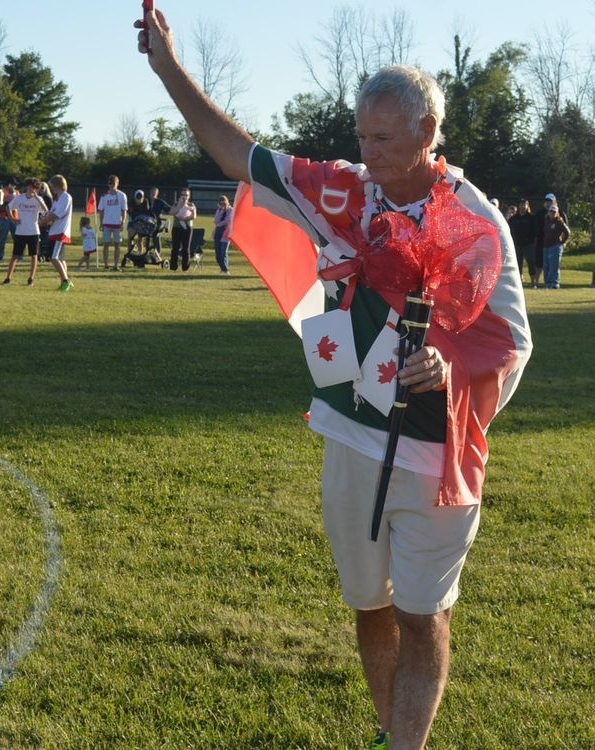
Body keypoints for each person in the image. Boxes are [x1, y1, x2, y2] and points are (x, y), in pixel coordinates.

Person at [137, 9, 531, 750]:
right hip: (349, 437)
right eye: (360, 136)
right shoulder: (347, 191)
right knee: (368, 605)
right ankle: (391, 734)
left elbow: (511, 343)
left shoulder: (474, 219)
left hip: (434, 457)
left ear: (427, 135)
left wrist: (447, 373)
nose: (366, 152)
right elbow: (240, 156)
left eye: (382, 139)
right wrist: (167, 70)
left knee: (423, 614)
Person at [2, 178, 48, 286]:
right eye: (30, 186)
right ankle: (8, 278)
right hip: (20, 231)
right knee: (15, 256)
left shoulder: (39, 199)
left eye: (34, 188)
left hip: (34, 231)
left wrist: (37, 197)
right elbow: (8, 207)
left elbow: (46, 210)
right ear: (27, 187)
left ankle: (31, 278)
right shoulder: (20, 198)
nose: (31, 189)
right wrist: (13, 218)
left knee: (34, 255)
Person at [40, 174, 74, 292]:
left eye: (53, 186)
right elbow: (51, 213)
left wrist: (43, 221)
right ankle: (65, 280)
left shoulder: (65, 197)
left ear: (58, 185)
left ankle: (65, 281)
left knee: (53, 257)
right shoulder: (57, 199)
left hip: (60, 231)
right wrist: (43, 218)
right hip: (55, 231)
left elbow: (56, 214)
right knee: (60, 258)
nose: (52, 189)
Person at [98, 175, 127, 271]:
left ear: (117, 184)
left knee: (117, 245)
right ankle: (106, 265)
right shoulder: (104, 196)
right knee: (106, 244)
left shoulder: (122, 196)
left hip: (117, 224)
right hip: (106, 223)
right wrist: (101, 223)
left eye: (113, 183)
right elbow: (101, 210)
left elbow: (124, 210)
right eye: (109, 183)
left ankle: (115, 265)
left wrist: (122, 222)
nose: (111, 185)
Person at [508, 199, 538, 287]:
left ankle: (533, 282)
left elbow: (536, 232)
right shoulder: (513, 219)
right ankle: (518, 283)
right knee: (517, 264)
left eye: (524, 204)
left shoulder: (532, 218)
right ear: (518, 206)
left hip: (528, 245)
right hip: (516, 245)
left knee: (531, 263)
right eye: (521, 204)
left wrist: (534, 243)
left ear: (527, 206)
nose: (523, 206)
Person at [541, 201, 570, 290]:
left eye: (554, 212)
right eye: (551, 211)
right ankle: (547, 283)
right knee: (546, 266)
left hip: (555, 246)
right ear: (548, 212)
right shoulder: (546, 220)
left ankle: (555, 283)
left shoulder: (559, 222)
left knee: (554, 265)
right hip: (546, 246)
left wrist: (562, 242)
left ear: (557, 213)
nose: (552, 213)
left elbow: (567, 232)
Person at [169, 187, 197, 271]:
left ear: (189, 196)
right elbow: (172, 212)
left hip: (187, 228)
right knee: (175, 248)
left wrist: (185, 218)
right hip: (177, 228)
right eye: (183, 194)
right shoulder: (176, 204)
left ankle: (185, 267)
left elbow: (194, 216)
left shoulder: (191, 205)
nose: (184, 196)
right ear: (180, 195)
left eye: (186, 195)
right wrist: (180, 205)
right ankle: (173, 266)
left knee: (186, 248)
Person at [0, 178, 18, 262]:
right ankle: (0, 255)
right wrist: (7, 205)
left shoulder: (17, 193)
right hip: (4, 218)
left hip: (14, 219)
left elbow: (18, 206)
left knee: (17, 238)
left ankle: (18, 256)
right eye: (13, 185)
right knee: (2, 239)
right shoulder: (0, 193)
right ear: (9, 184)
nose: (15, 187)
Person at [127, 189, 151, 254]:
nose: (139, 201)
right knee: (130, 238)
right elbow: (130, 213)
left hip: (142, 222)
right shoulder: (131, 202)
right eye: (137, 199)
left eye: (140, 199)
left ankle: (140, 253)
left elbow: (146, 213)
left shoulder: (145, 202)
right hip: (132, 221)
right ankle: (129, 253)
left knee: (140, 239)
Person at [213, 194, 232, 274]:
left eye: (224, 204)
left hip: (226, 232)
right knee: (217, 253)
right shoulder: (219, 210)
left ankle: (225, 269)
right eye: (221, 204)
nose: (223, 205)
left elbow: (227, 221)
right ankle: (222, 268)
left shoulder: (231, 210)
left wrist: (219, 224)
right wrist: (221, 211)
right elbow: (215, 221)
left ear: (227, 203)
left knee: (223, 252)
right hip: (218, 231)